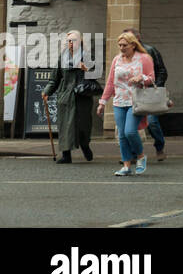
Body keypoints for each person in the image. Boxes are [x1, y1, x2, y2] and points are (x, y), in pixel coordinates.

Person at [96, 32, 155, 176]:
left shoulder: (144, 58)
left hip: (136, 101)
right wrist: (102, 102)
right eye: (120, 45)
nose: (121, 48)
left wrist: (141, 78)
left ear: (133, 45)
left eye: (125, 45)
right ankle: (126, 165)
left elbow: (152, 78)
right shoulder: (117, 60)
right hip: (119, 101)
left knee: (130, 131)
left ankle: (140, 156)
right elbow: (110, 82)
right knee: (121, 135)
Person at [43, 30, 95, 163]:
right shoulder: (63, 57)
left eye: (74, 40)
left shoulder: (87, 56)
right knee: (65, 125)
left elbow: (97, 74)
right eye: (69, 41)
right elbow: (54, 78)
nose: (71, 43)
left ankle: (85, 145)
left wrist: (87, 69)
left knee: (83, 125)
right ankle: (66, 155)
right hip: (65, 96)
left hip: (82, 97)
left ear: (80, 42)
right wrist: (47, 91)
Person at [125, 27, 168, 162]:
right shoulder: (125, 54)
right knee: (132, 125)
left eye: (128, 39)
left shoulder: (150, 51)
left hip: (149, 92)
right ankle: (133, 154)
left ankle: (159, 147)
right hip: (132, 93)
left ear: (137, 39)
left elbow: (161, 71)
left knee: (152, 122)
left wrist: (156, 88)